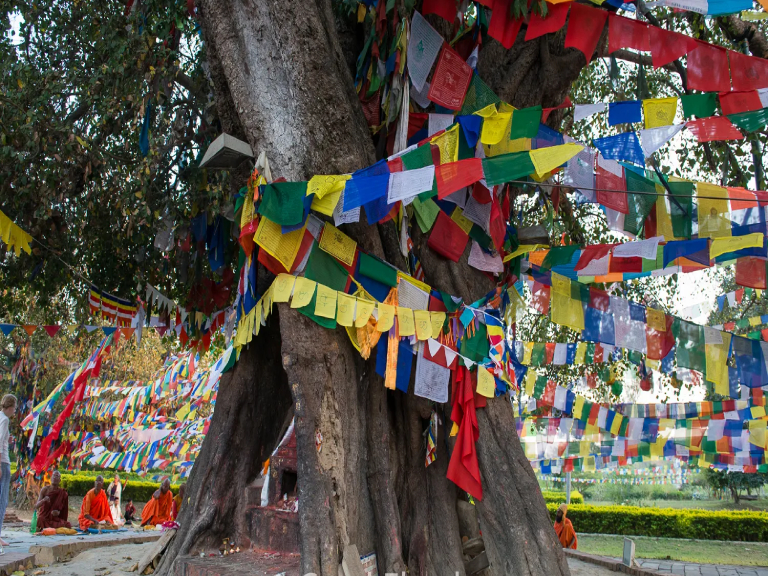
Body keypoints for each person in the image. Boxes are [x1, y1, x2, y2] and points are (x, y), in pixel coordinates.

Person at [0, 394, 17, 548]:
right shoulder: (4, 420)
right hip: (3, 462)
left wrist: (8, 441)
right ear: (11, 407)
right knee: (2, 500)